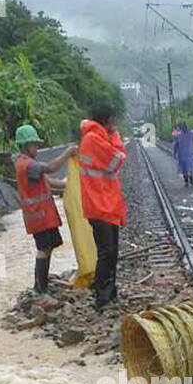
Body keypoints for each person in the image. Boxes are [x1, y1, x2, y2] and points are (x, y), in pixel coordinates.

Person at [14, 124, 76, 293]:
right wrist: (68, 152)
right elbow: (51, 168)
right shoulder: (27, 165)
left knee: (48, 246)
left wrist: (72, 185)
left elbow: (50, 182)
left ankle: (43, 284)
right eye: (34, 144)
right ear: (26, 145)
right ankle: (39, 288)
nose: (37, 147)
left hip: (42, 217)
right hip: (38, 216)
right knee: (43, 248)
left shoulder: (28, 164)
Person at [78, 102, 128, 310]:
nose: (116, 124)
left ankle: (108, 290)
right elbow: (117, 160)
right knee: (107, 251)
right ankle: (102, 295)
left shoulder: (95, 138)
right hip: (100, 206)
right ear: (107, 121)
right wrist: (115, 136)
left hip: (105, 204)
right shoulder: (94, 139)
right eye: (113, 121)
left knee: (111, 250)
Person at [172, 122, 193, 186]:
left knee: (184, 168)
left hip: (182, 153)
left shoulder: (178, 134)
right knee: (190, 167)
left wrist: (174, 152)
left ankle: (186, 181)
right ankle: (191, 180)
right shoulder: (191, 132)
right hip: (190, 152)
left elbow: (175, 143)